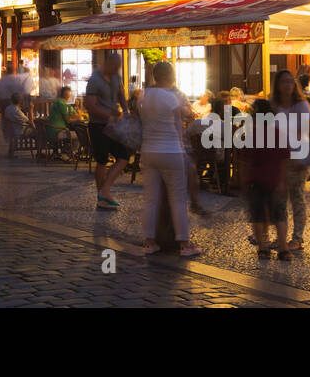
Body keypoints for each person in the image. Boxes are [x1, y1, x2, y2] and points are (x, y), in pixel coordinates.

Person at [138, 62, 203, 256]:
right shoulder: (171, 98)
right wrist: (182, 150)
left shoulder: (144, 95)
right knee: (178, 200)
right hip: (171, 150)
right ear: (171, 76)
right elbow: (178, 124)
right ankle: (184, 245)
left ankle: (149, 243)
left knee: (150, 200)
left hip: (148, 150)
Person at [242, 98, 292, 260]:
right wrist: (282, 181)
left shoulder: (252, 134)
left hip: (256, 179)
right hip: (275, 178)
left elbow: (246, 159)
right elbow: (285, 158)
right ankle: (284, 249)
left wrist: (243, 180)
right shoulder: (278, 133)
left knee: (257, 215)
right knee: (279, 215)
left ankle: (263, 248)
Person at [271, 69, 310, 252]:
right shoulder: (274, 105)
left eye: (290, 82)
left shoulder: (301, 106)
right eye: (284, 82)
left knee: (297, 198)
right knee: (279, 199)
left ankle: (297, 238)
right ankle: (281, 237)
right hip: (279, 158)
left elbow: (306, 132)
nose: (288, 85)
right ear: (278, 85)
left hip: (296, 156)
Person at [83, 52, 131, 209]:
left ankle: (104, 191)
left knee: (123, 156)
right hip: (98, 125)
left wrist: (126, 110)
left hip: (113, 124)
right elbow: (90, 105)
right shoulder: (94, 80)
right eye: (115, 67)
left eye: (119, 68)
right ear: (108, 63)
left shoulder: (116, 77)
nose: (117, 70)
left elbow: (121, 94)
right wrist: (109, 116)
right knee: (102, 160)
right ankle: (101, 196)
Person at [45, 85, 77, 155]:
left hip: (51, 130)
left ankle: (65, 151)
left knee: (70, 131)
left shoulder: (58, 102)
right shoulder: (62, 104)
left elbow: (71, 114)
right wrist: (78, 117)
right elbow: (68, 120)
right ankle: (70, 153)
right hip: (57, 132)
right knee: (79, 134)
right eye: (70, 94)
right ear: (67, 95)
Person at [2, 92, 33, 157]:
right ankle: (39, 151)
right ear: (20, 101)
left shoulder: (8, 108)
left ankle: (11, 152)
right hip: (20, 130)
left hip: (11, 130)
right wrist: (31, 109)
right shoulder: (16, 111)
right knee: (39, 131)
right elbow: (29, 122)